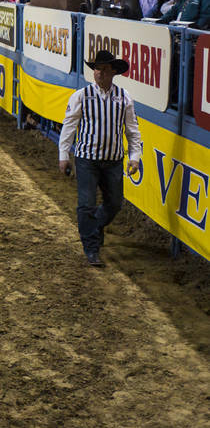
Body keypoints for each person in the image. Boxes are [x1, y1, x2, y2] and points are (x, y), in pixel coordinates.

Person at [58, 50, 142, 267]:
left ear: (113, 72)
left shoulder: (124, 97)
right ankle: (91, 248)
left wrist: (135, 157)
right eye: (96, 69)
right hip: (87, 158)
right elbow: (69, 126)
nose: (99, 73)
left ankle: (94, 226)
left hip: (113, 160)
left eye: (104, 69)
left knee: (114, 203)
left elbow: (132, 130)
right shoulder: (81, 96)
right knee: (86, 204)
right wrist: (63, 155)